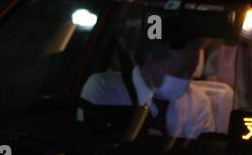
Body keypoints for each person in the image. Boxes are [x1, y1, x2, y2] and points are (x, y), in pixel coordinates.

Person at [82, 36, 215, 139]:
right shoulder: (105, 90)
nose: (186, 81)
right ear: (151, 61)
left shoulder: (198, 102)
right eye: (181, 72)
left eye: (191, 73)